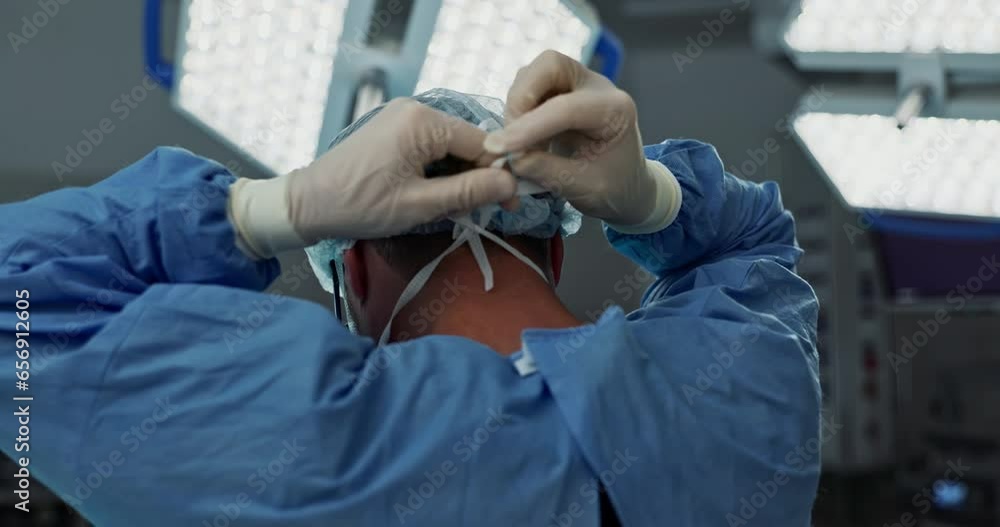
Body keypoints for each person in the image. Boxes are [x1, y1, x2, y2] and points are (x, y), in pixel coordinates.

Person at [1, 51, 820, 526]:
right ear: (555, 249)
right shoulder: (741, 392)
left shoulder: (322, 450)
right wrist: (651, 194)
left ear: (351, 271)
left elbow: (17, 307)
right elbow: (754, 241)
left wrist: (267, 209)